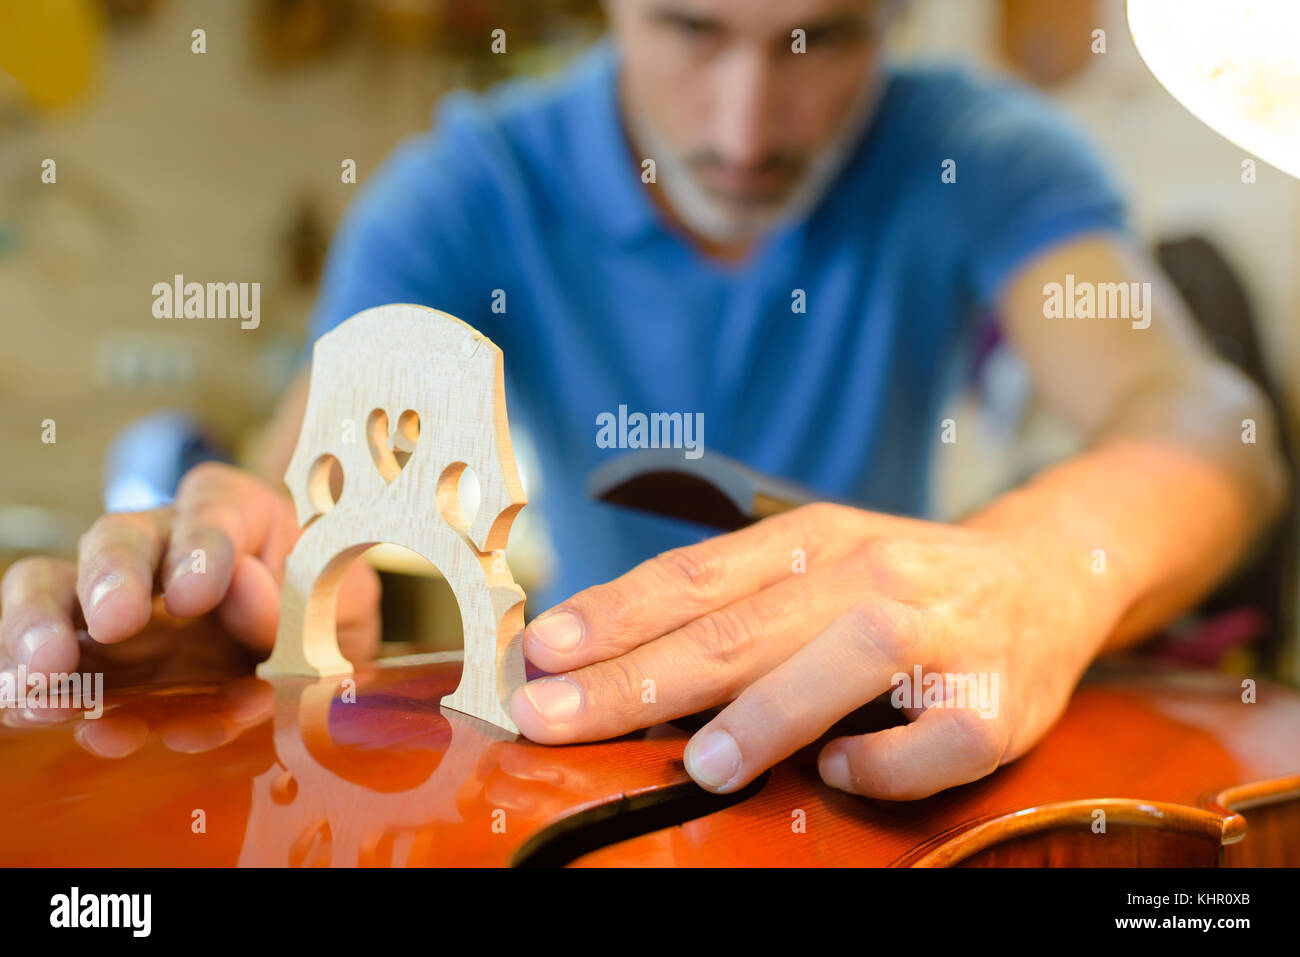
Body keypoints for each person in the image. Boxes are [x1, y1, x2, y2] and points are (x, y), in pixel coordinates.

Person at [0, 0, 1286, 800]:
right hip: (584, 748)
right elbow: (309, 529)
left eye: (819, 36)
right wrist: (226, 605)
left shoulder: (986, 150)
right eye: (686, 26)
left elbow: (1209, 421)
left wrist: (1038, 569)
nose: (743, 126)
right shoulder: (468, 186)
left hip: (880, 758)